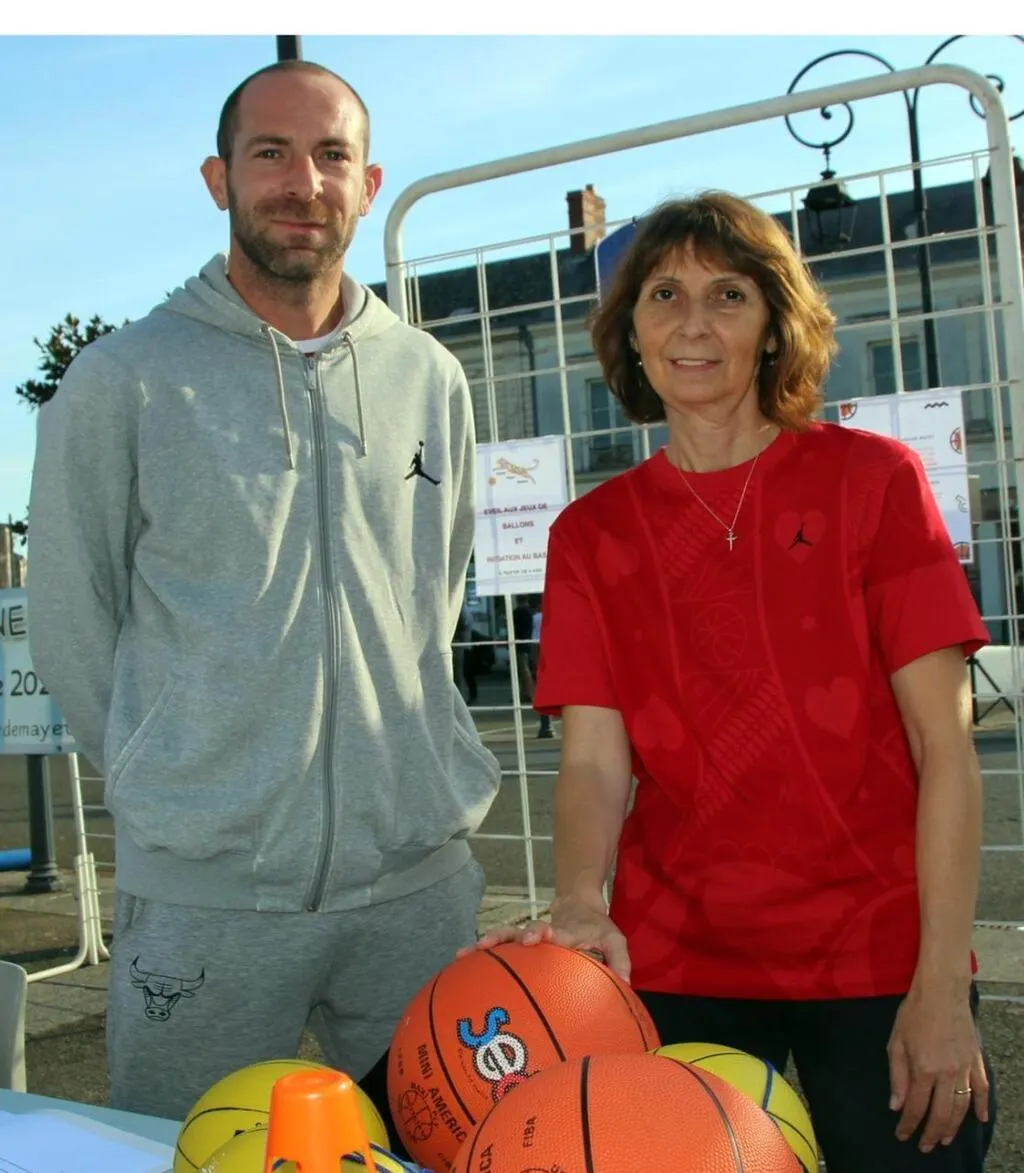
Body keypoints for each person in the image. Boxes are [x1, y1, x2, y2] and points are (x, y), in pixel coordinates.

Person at [472, 192, 996, 1171]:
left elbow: (944, 748)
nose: (694, 323)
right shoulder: (589, 536)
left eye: (728, 294)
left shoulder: (872, 483)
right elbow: (591, 761)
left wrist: (939, 984)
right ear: (628, 333)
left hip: (880, 957)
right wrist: (581, 900)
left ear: (773, 325)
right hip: (678, 962)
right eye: (663, 295)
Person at [28, 59, 500, 1128]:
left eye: (331, 155)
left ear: (369, 182)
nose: (303, 182)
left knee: (460, 1149)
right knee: (185, 1152)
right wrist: (179, 780)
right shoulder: (125, 379)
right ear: (219, 178)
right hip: (206, 899)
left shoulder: (430, 377)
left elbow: (437, 588)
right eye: (271, 154)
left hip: (416, 896)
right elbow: (72, 617)